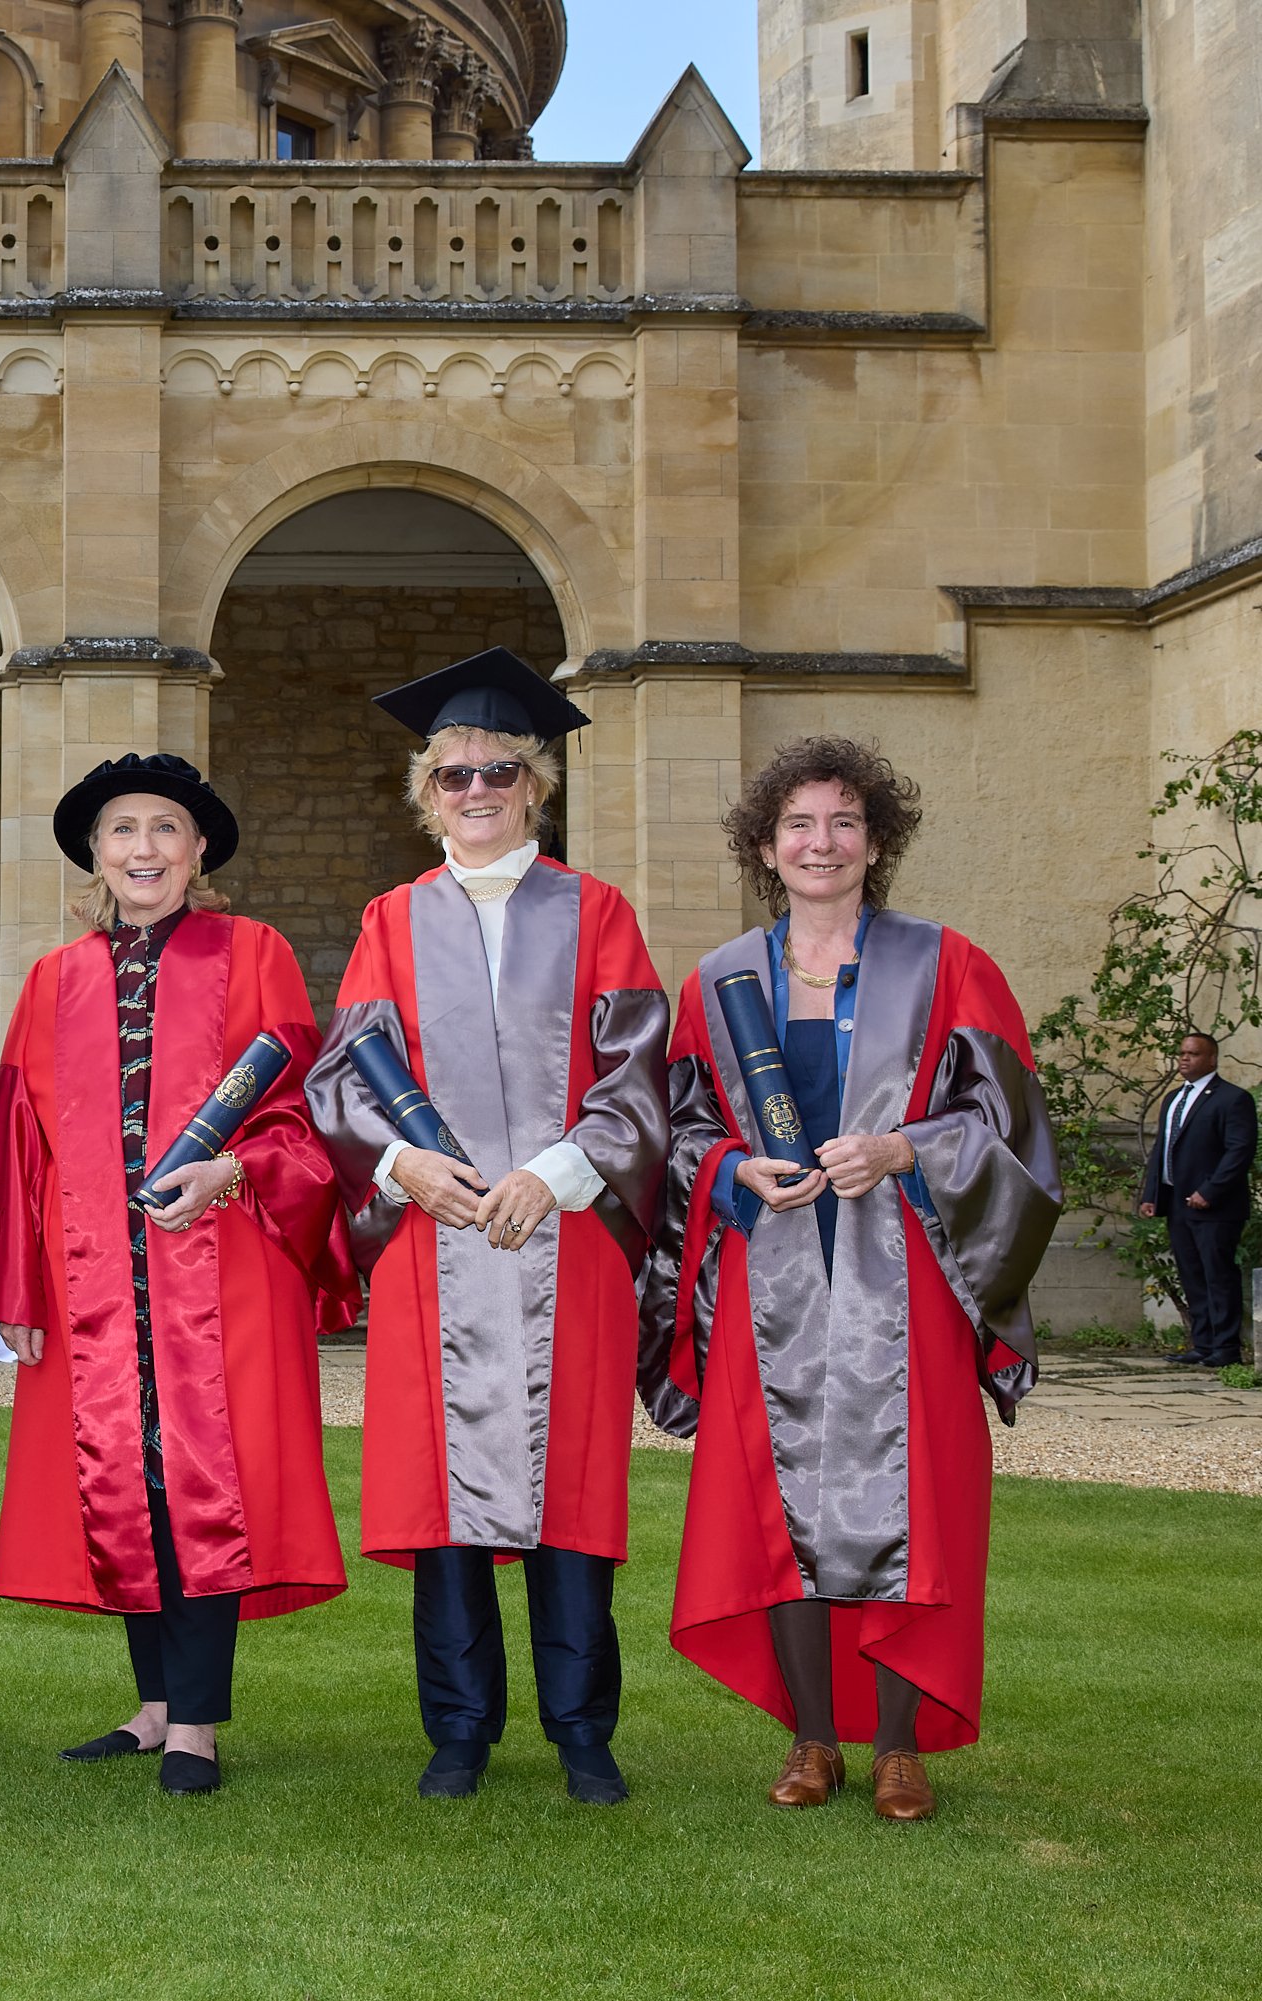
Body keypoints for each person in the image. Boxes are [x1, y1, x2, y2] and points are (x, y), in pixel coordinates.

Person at [646, 736, 1060, 1823]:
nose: (819, 843)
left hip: (903, 1265)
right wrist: (735, 1169)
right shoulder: (723, 979)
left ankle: (898, 1746)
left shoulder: (946, 964)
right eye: (798, 825)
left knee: (911, 1487)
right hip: (769, 1264)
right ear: (765, 846)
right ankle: (812, 1739)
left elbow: (1008, 1125)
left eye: (842, 823)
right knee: (774, 1496)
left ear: (877, 841)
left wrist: (904, 1149)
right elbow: (680, 1134)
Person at [303, 652, 667, 1807]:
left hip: (567, 1237)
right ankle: (458, 1729)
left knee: (574, 1491)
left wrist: (557, 1174)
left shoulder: (595, 911)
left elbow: (641, 1077)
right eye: (453, 774)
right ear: (426, 793)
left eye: (500, 771)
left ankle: (581, 1729)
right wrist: (407, 1166)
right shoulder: (390, 921)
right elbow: (345, 1076)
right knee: (439, 1489)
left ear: (537, 787)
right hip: (437, 1243)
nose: (476, 789)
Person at [0, 754, 353, 1797]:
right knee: (121, 1472)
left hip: (222, 1268)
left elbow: (304, 1106)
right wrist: (20, 1294)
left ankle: (200, 1725)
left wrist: (235, 1166)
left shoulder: (255, 952)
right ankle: (150, 1709)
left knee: (203, 1482)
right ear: (96, 853)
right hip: (92, 1279)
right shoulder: (56, 979)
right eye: (123, 831)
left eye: (166, 830)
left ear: (200, 852)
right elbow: (18, 1149)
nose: (144, 850)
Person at [1140, 1032, 1252, 1368]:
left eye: (1193, 1053)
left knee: (1218, 1275)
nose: (1184, 1059)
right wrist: (1152, 1196)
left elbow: (1239, 1151)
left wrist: (1210, 1190)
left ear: (1212, 1059)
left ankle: (1226, 1348)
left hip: (1215, 1207)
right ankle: (1203, 1344)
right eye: (1182, 1053)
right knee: (1191, 1275)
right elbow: (1163, 1148)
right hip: (1177, 1203)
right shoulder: (1174, 1098)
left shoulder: (1232, 1099)